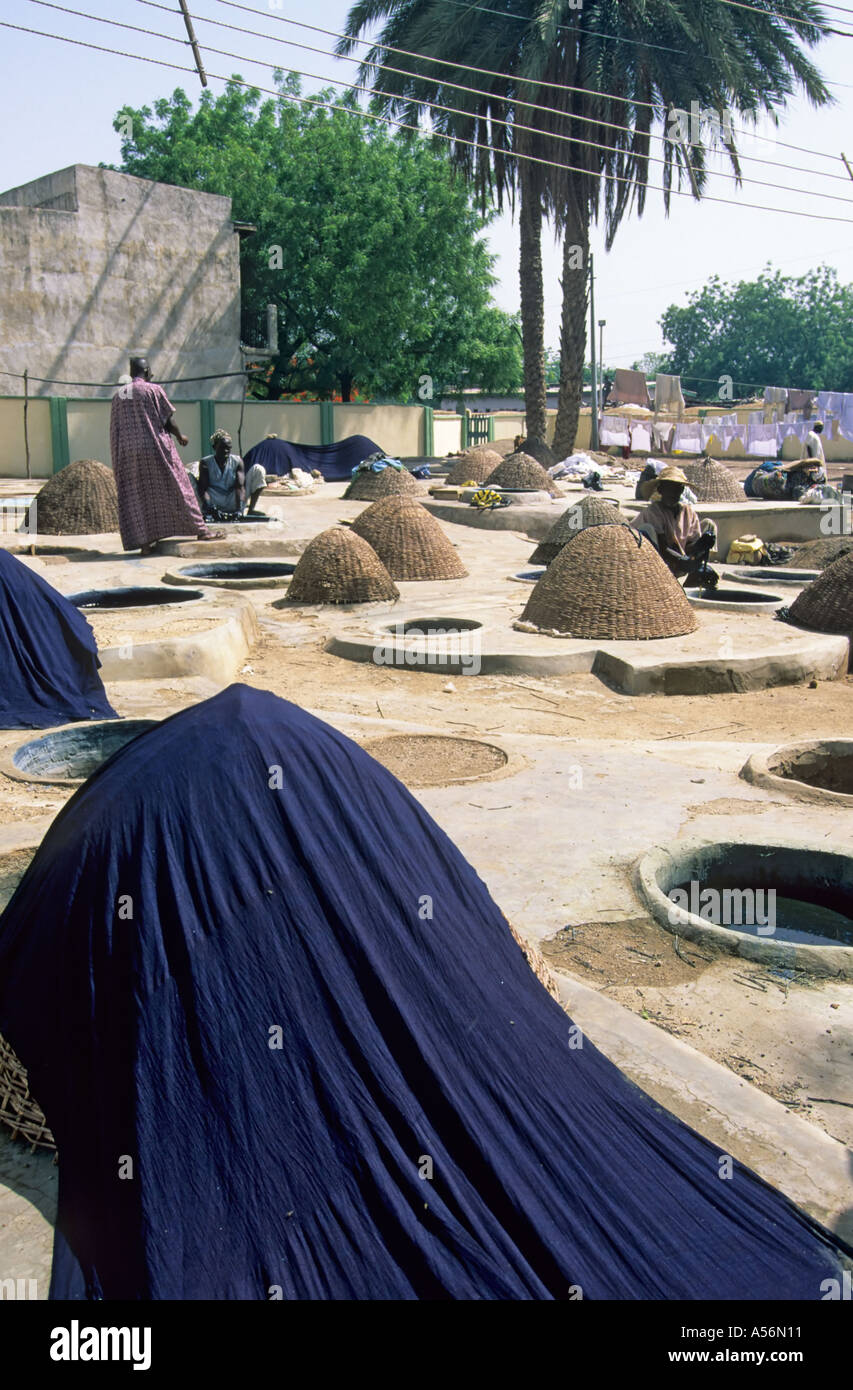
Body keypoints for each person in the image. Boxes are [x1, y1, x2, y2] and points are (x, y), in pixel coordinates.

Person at [109, 357, 224, 554]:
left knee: (138, 494)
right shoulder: (153, 390)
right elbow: (167, 419)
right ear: (146, 371)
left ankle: (145, 544)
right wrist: (180, 436)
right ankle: (201, 530)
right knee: (180, 485)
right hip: (155, 447)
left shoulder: (119, 395)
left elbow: (115, 429)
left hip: (128, 453)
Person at [631, 465, 718, 584]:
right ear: (661, 490)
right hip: (656, 562)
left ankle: (694, 577)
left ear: (681, 491)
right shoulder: (654, 511)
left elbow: (687, 546)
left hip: (680, 560)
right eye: (669, 488)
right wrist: (682, 561)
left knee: (709, 525)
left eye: (676, 489)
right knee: (648, 529)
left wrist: (699, 547)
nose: (672, 493)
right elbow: (663, 547)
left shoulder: (688, 512)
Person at [197, 430, 266, 518]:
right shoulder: (205, 462)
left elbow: (239, 487)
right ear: (214, 447)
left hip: (233, 499)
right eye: (222, 448)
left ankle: (251, 510)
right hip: (214, 499)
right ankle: (206, 511)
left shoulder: (237, 461)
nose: (226, 451)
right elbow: (203, 489)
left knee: (258, 469)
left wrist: (239, 509)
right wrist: (211, 507)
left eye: (228, 448)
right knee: (188, 477)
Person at [780, 420, 827, 500]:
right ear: (817, 427)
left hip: (815, 462)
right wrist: (812, 460)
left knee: (815, 478)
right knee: (809, 477)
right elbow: (808, 447)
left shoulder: (815, 435)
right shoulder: (811, 434)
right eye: (821, 427)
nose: (821, 429)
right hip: (811, 462)